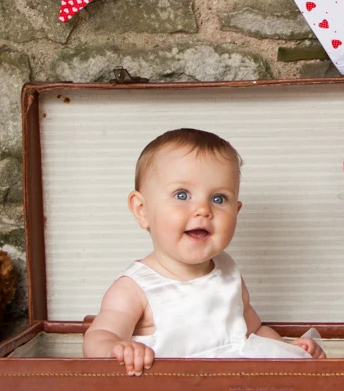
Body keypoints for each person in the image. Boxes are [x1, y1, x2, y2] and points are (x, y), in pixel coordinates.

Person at [83, 128, 325, 375]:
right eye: (182, 195)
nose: (203, 209)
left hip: (236, 389)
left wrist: (287, 351)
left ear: (237, 212)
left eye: (219, 199)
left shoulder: (228, 273)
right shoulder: (135, 288)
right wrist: (118, 348)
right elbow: (99, 336)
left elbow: (254, 331)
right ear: (142, 210)